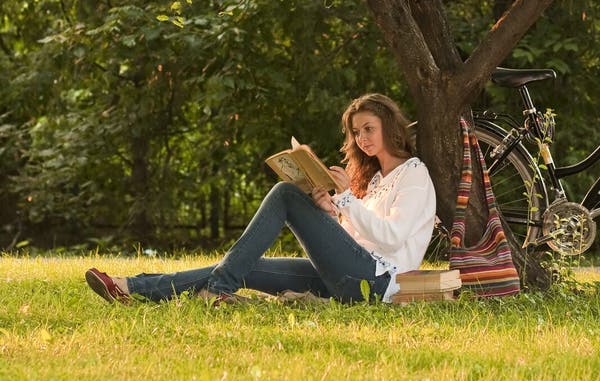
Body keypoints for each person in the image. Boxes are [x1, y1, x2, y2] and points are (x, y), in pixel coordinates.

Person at [85, 93, 436, 306]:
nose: (361, 138)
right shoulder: (374, 180)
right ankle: (132, 287)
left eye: (368, 128)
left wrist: (345, 198)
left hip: (376, 284)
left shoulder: (414, 174)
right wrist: (330, 211)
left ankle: (218, 292)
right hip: (346, 278)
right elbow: (355, 238)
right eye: (356, 132)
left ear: (390, 126)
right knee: (246, 264)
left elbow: (390, 238)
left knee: (284, 194)